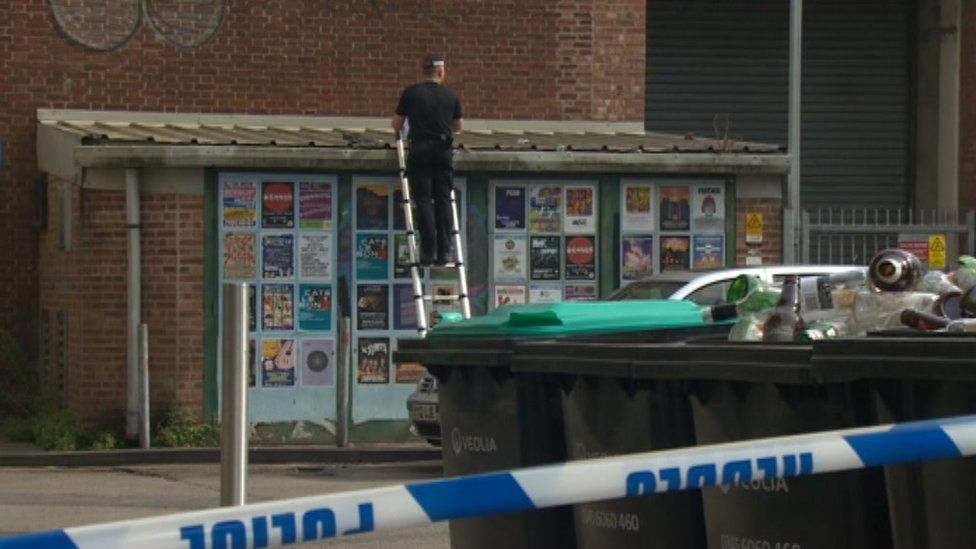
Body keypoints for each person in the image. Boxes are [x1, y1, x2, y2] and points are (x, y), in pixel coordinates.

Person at [392, 54, 464, 266]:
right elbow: (458, 126)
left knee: (423, 200)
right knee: (443, 200)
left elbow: (397, 124)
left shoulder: (411, 94)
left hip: (419, 148)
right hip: (442, 150)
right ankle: (444, 252)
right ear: (441, 72)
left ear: (423, 71)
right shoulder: (451, 96)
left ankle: (427, 251)